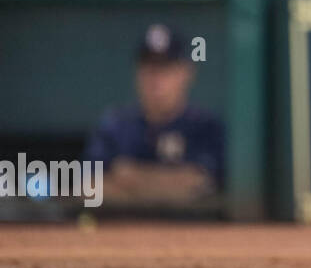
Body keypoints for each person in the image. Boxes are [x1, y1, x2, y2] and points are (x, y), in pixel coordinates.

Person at [85, 24, 225, 208]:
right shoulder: (116, 125)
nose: (156, 80)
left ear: (186, 73)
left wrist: (129, 177)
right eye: (149, 69)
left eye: (165, 69)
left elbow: (197, 187)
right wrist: (168, 184)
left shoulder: (206, 127)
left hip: (191, 233)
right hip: (121, 232)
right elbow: (89, 188)